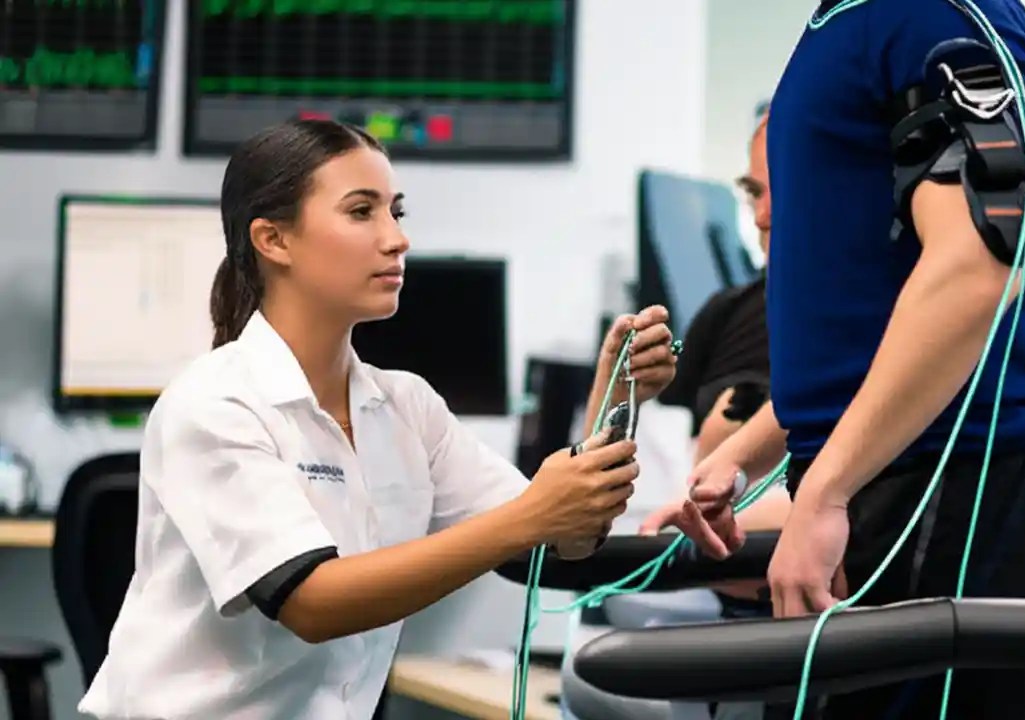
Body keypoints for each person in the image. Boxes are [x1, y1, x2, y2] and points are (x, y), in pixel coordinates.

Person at [78, 119, 680, 720]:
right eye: (361, 212)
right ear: (274, 240)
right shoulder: (213, 404)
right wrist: (531, 514)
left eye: (396, 212)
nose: (397, 239)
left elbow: (556, 545)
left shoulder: (406, 407)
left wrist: (612, 407)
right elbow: (313, 603)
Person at [669, 1, 1025, 718]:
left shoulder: (922, 15)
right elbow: (871, 321)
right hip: (886, 475)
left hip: (942, 488)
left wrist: (825, 492)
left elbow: (978, 265)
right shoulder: (852, 21)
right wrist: (752, 447)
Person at [640, 106, 791, 604]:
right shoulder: (728, 314)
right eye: (754, 194)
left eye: (786, 187)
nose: (763, 216)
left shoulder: (896, 320)